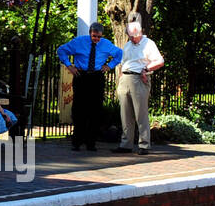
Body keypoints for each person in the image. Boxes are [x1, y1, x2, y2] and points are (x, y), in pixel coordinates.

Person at [57, 22, 123, 151]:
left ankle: (91, 142)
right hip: (81, 76)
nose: (96, 39)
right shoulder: (79, 42)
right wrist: (69, 65)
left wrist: (109, 66)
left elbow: (119, 53)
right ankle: (77, 141)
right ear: (90, 33)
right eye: (94, 36)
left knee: (95, 110)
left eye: (99, 37)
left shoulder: (106, 44)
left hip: (96, 77)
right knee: (79, 109)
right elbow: (61, 50)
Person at [115, 20, 164, 155]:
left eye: (133, 36)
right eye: (130, 36)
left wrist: (146, 69)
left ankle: (144, 144)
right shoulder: (127, 45)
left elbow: (160, 61)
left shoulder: (149, 44)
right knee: (125, 114)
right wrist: (120, 79)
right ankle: (126, 144)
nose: (131, 38)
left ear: (139, 33)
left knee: (140, 113)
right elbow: (123, 63)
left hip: (139, 78)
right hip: (125, 78)